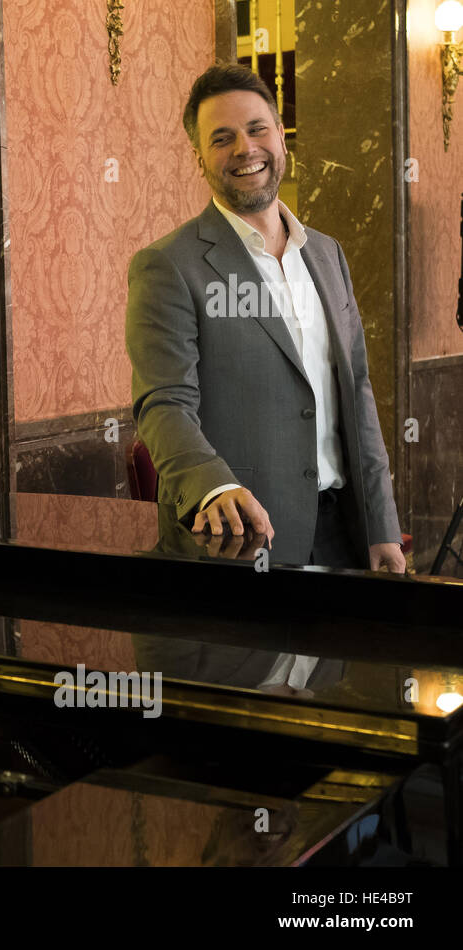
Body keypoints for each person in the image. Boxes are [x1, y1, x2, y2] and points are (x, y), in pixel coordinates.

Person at [125, 63, 405, 572]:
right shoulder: (169, 264)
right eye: (222, 138)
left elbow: (358, 393)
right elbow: (163, 403)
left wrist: (382, 526)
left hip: (345, 535)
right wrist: (216, 486)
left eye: (257, 129)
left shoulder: (327, 253)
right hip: (240, 542)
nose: (245, 149)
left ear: (281, 135)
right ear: (199, 157)